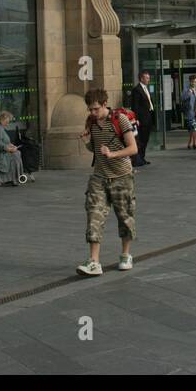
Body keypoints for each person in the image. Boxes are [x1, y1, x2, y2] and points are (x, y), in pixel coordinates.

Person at [76, 88, 138, 277]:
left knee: (125, 217)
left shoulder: (120, 120)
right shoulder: (92, 123)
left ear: (104, 104)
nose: (92, 113)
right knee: (94, 214)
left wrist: (112, 154)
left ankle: (126, 255)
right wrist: (87, 141)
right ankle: (94, 262)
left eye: (95, 109)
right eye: (90, 109)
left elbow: (133, 148)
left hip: (122, 176)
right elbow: (95, 149)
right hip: (99, 177)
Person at [129, 71, 155, 166]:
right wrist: (136, 119)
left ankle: (142, 158)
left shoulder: (145, 88)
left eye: (148, 77)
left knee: (145, 139)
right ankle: (138, 159)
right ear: (141, 78)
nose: (148, 79)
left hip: (148, 117)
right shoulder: (137, 90)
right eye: (146, 78)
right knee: (141, 140)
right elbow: (135, 106)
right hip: (142, 119)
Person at [179, 76, 196, 149]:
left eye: (195, 81)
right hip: (190, 111)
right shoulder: (186, 89)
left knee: (194, 128)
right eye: (192, 81)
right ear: (190, 82)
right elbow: (182, 98)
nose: (193, 83)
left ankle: (190, 142)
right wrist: (189, 93)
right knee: (194, 127)